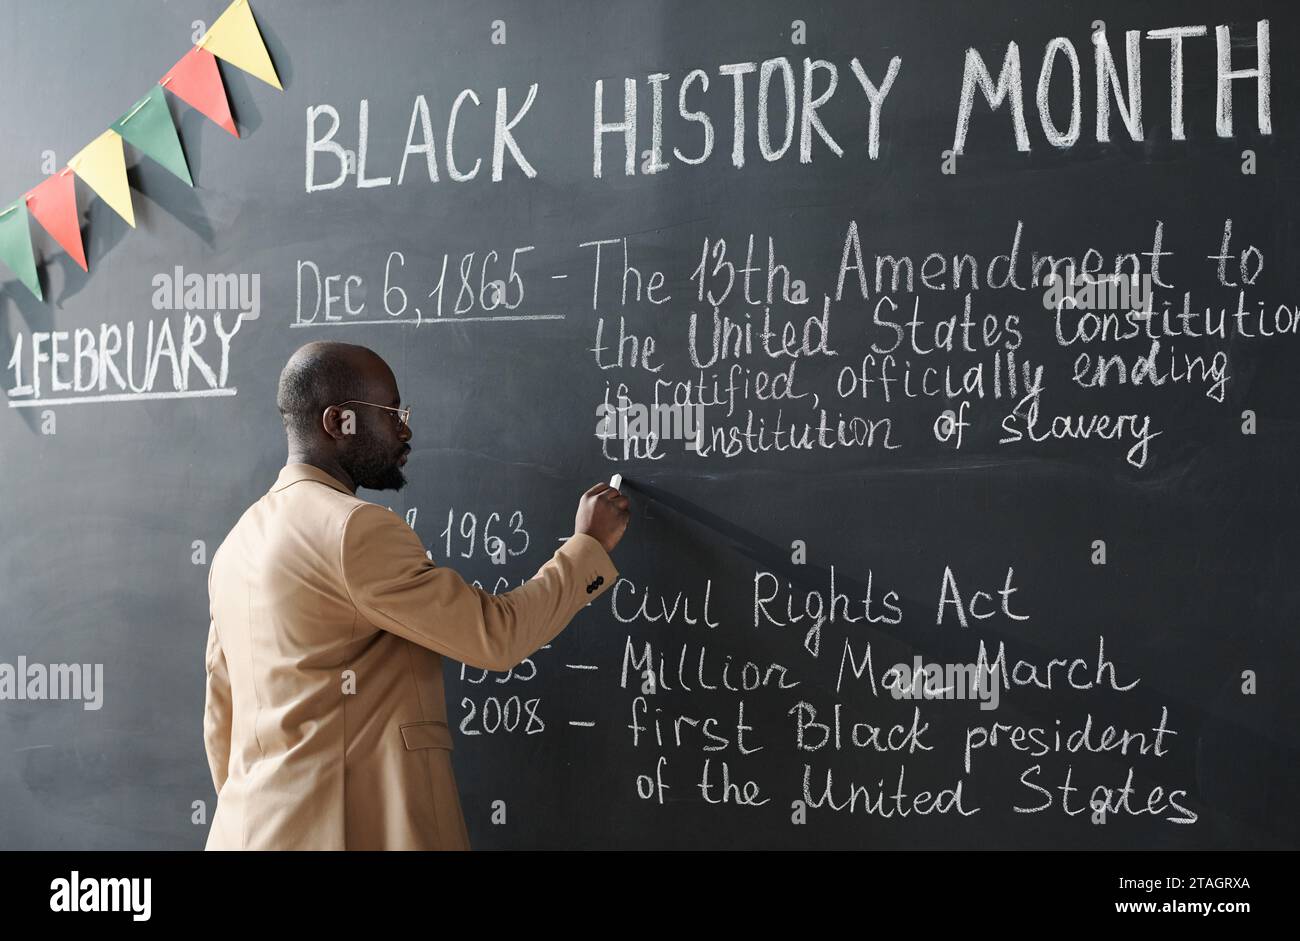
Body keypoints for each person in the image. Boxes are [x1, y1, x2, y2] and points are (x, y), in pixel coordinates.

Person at [202, 340, 630, 849]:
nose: (405, 429)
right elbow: (495, 637)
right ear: (340, 422)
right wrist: (587, 548)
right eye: (392, 411)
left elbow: (220, 723)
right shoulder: (353, 530)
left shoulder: (235, 544)